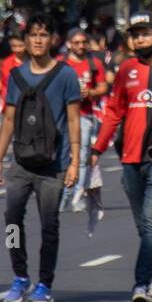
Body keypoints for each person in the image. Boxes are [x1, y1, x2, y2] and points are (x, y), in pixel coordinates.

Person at [92, 11, 152, 302]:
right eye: (134, 34)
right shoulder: (126, 70)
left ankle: (142, 282)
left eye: (145, 32)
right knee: (144, 227)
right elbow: (113, 112)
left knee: (150, 224)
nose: (140, 38)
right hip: (130, 160)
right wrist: (96, 149)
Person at [0, 15, 82, 302]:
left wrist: (75, 161)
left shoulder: (66, 75)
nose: (38, 40)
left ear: (52, 39)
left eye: (44, 35)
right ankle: (20, 276)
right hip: (21, 162)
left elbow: (73, 119)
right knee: (12, 221)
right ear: (26, 40)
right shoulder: (16, 75)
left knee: (49, 225)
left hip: (53, 164)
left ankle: (44, 282)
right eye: (33, 35)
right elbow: (7, 119)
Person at [60, 28, 108, 216]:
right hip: (62, 116)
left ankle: (76, 196)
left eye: (83, 42)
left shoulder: (94, 63)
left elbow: (103, 86)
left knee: (80, 156)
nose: (81, 46)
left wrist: (91, 93)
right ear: (70, 44)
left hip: (85, 116)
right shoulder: (61, 64)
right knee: (63, 155)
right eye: (77, 42)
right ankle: (63, 193)